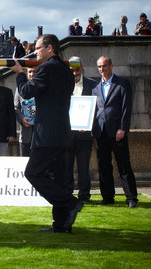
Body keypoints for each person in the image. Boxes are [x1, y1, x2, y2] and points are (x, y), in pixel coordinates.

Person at [9, 34, 82, 233]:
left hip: (47, 134)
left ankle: (71, 203)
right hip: (63, 133)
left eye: (38, 48)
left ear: (50, 48)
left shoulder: (46, 69)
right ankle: (61, 224)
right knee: (58, 179)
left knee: (32, 173)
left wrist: (20, 73)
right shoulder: (67, 71)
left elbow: (26, 91)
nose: (35, 52)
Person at [93, 56, 138, 208]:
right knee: (104, 165)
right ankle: (107, 197)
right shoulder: (95, 88)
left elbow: (126, 108)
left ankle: (131, 198)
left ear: (111, 66)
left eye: (104, 66)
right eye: (99, 66)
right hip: (100, 132)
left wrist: (123, 128)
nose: (102, 69)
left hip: (117, 131)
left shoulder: (122, 83)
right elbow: (94, 110)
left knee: (123, 165)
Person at [64, 56, 98, 202]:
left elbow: (96, 108)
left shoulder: (93, 85)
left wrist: (89, 124)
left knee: (84, 167)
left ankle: (84, 195)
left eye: (77, 70)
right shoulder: (62, 85)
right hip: (67, 134)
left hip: (84, 134)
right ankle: (67, 194)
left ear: (82, 69)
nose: (74, 73)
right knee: (67, 166)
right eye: (71, 70)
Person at [14, 67, 35, 157]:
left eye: (34, 72)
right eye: (30, 72)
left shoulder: (44, 87)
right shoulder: (20, 88)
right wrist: (22, 119)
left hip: (42, 136)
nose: (32, 74)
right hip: (26, 136)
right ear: (26, 73)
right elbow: (15, 108)